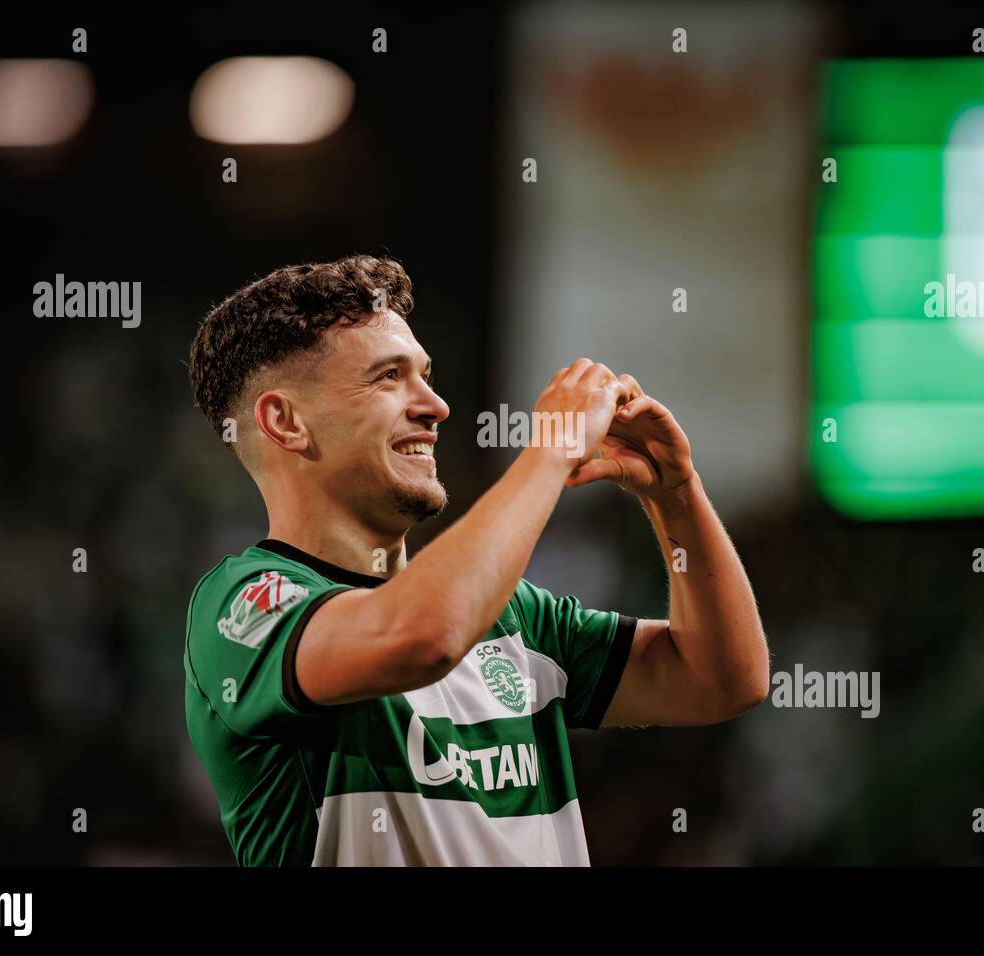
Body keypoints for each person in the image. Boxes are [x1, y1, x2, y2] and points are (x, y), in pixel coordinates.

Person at [184, 255, 770, 865]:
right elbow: (426, 635)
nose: (435, 405)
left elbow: (723, 680)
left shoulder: (513, 615)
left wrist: (676, 494)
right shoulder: (243, 605)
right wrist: (552, 450)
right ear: (285, 421)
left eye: (426, 376)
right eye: (388, 377)